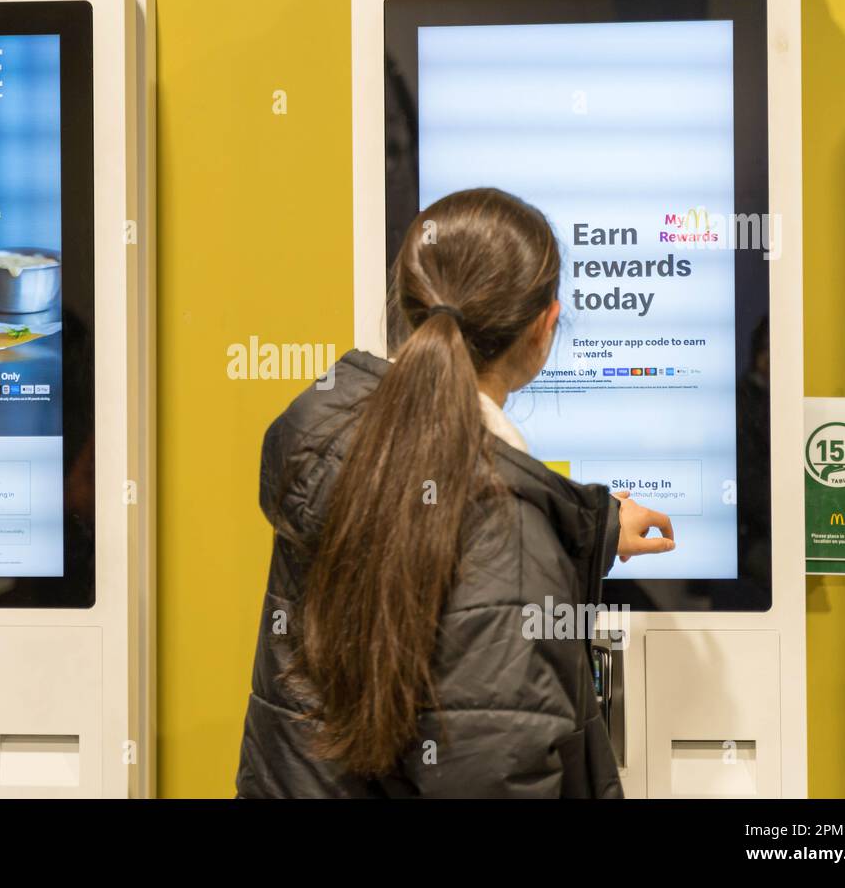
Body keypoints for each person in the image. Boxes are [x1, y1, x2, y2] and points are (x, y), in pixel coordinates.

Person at [236, 187, 675, 797]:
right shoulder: (508, 539)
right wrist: (540, 538)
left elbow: (426, 529)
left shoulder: (334, 441)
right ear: (545, 327)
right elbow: (494, 771)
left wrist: (587, 524)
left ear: (411, 302)